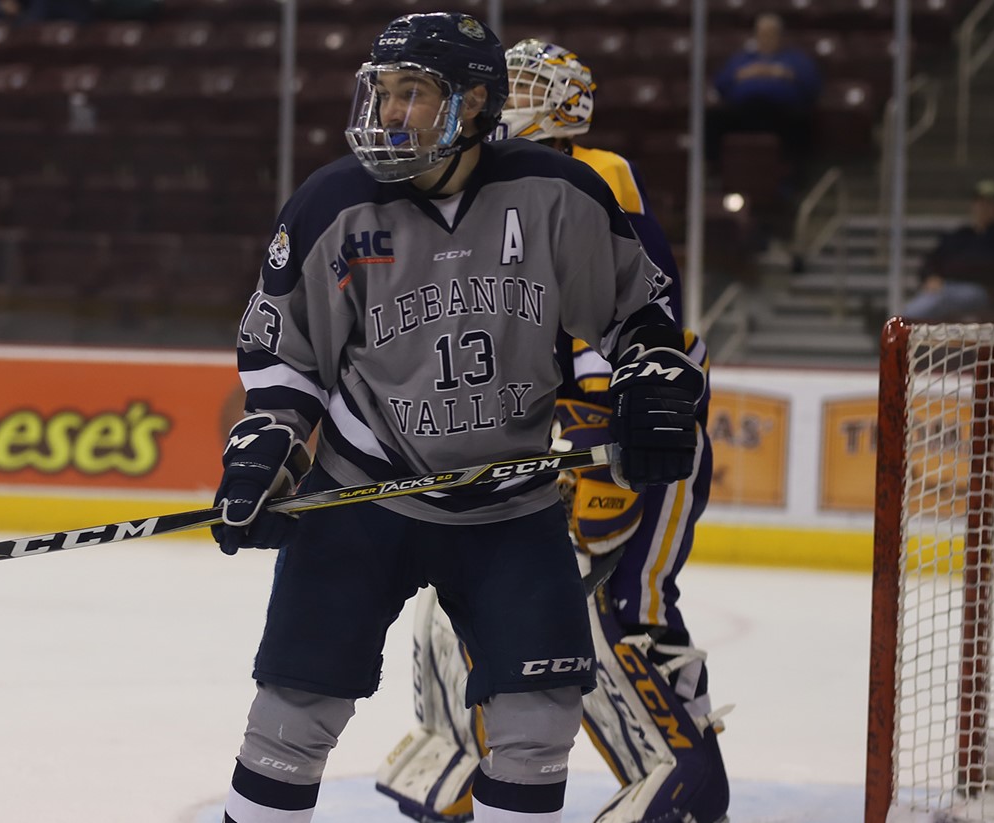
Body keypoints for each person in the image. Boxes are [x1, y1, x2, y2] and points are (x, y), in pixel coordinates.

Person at [212, 13, 705, 823]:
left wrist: (649, 375)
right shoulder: (331, 202)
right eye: (383, 91)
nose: (390, 111)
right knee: (291, 717)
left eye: (413, 93)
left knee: (538, 722)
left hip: (510, 500)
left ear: (473, 102)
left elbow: (636, 314)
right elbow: (283, 356)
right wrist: (268, 438)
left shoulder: (556, 193)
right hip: (362, 491)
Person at [375, 39, 730, 823]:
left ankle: (683, 783)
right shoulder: (479, 193)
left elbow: (636, 327)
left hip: (632, 441)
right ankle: (458, 772)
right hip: (539, 446)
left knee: (614, 611)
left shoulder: (592, 180)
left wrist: (599, 428)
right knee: (454, 611)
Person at [706, 12, 821, 175]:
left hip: (781, 113)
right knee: (712, 119)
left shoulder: (795, 58)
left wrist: (783, 73)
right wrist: (743, 74)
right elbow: (720, 83)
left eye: (770, 33)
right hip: (743, 112)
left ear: (780, 35)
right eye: (762, 33)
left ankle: (794, 177)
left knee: (802, 123)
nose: (766, 38)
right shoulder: (742, 58)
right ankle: (717, 172)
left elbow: (812, 85)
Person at [902, 179, 994, 322]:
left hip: (984, 291)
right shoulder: (960, 235)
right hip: (948, 288)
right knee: (936, 295)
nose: (984, 207)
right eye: (980, 203)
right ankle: (902, 327)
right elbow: (931, 260)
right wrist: (931, 276)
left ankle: (902, 326)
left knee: (941, 297)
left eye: (990, 203)